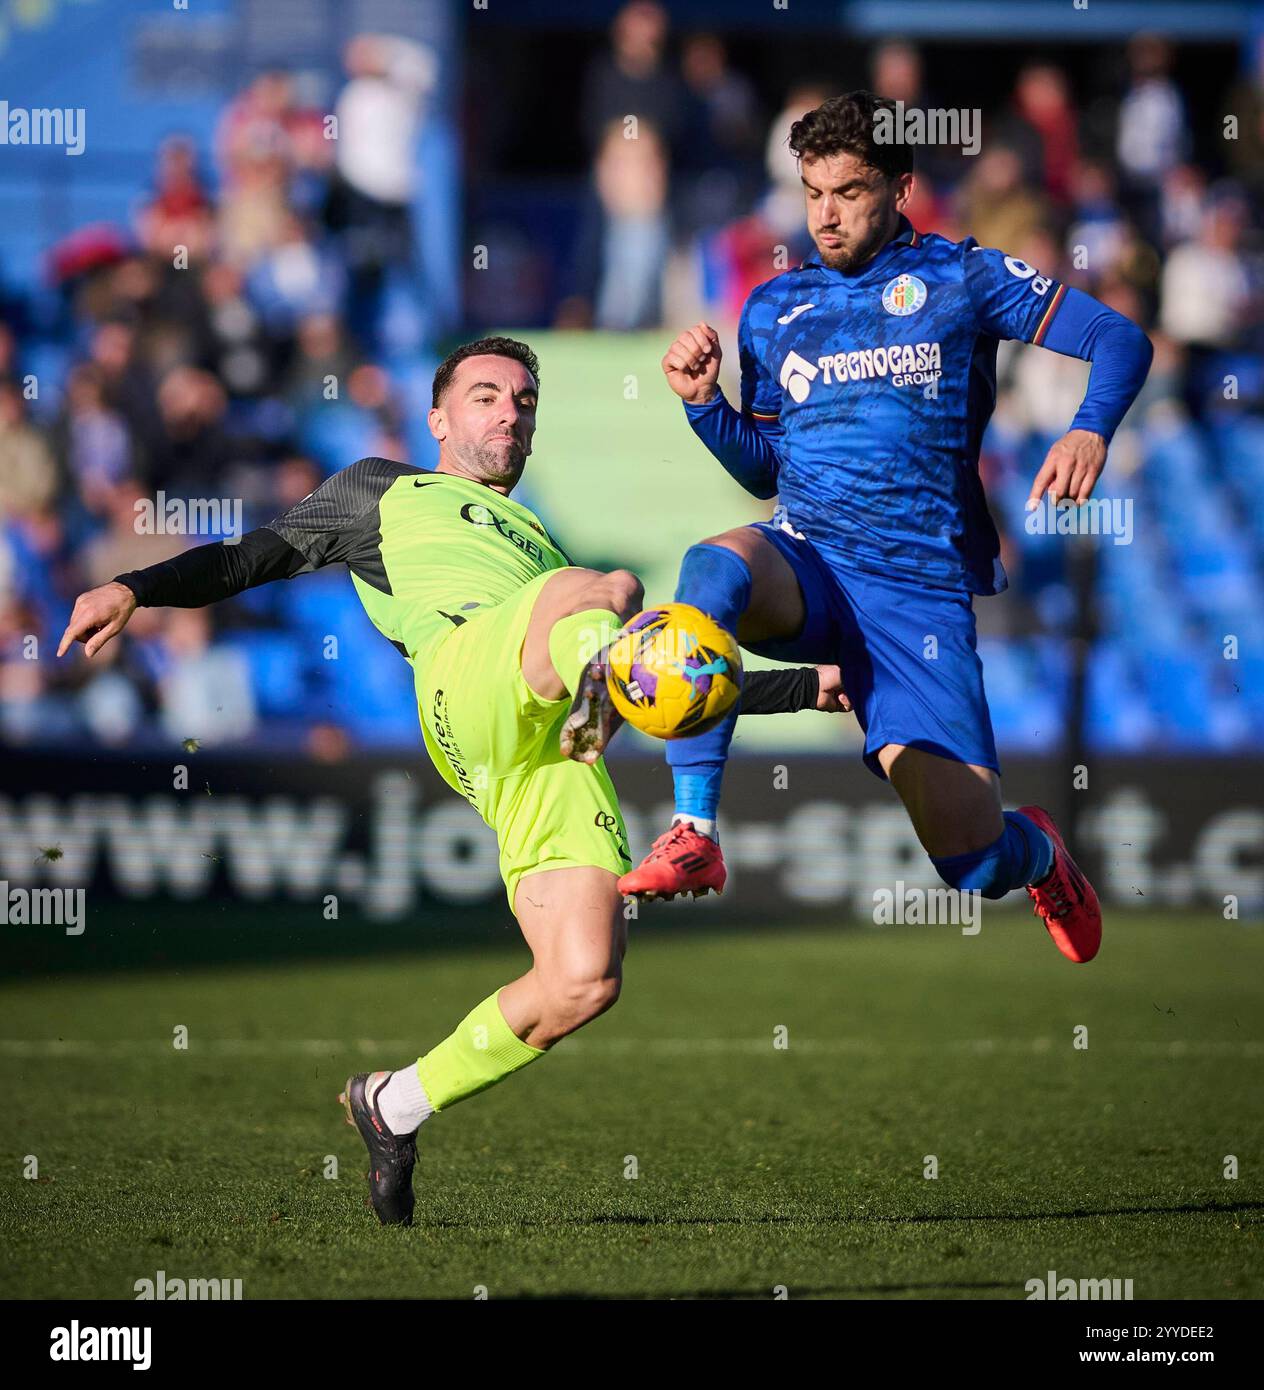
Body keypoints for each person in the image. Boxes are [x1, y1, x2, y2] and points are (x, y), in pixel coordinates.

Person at [58, 336, 842, 1225]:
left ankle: (393, 1105)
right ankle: (621, 733)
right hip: (464, 680)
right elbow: (248, 560)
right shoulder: (380, 491)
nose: (509, 412)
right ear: (438, 417)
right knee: (615, 589)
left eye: (524, 403)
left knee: (583, 979)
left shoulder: (543, 542)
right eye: (486, 396)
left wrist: (804, 686)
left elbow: (661, 670)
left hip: (543, 751)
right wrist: (134, 587)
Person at [613, 92, 1154, 966]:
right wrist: (706, 406)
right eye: (813, 191)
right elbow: (767, 469)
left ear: (900, 187)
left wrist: (1089, 427)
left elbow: (1121, 340)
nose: (825, 214)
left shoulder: (962, 278)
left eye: (851, 191)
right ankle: (693, 829)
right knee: (709, 568)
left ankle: (1041, 851)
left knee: (973, 864)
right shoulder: (773, 307)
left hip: (915, 599)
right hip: (811, 561)